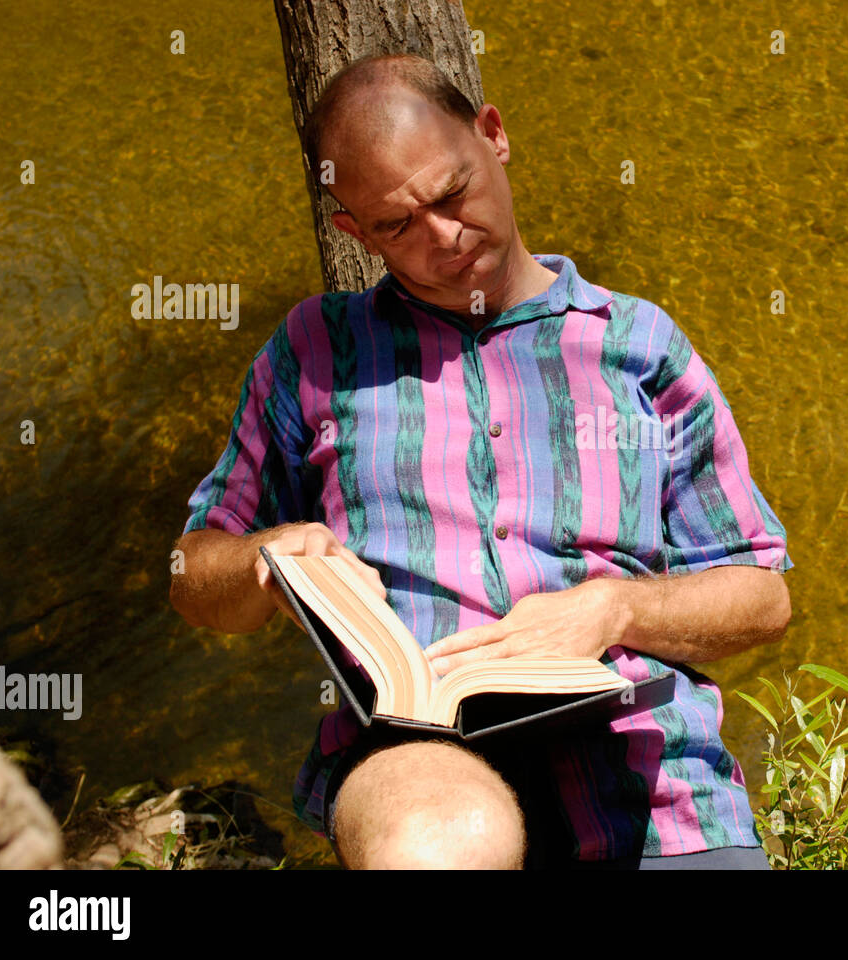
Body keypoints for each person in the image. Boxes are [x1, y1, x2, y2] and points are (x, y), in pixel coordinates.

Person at [169, 53, 793, 870]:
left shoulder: (639, 347)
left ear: (493, 136)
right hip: (417, 756)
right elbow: (190, 573)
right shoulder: (313, 352)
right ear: (354, 231)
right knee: (441, 844)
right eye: (397, 226)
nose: (444, 237)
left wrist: (614, 610)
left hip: (652, 781)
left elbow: (761, 593)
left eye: (450, 192)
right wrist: (261, 557)